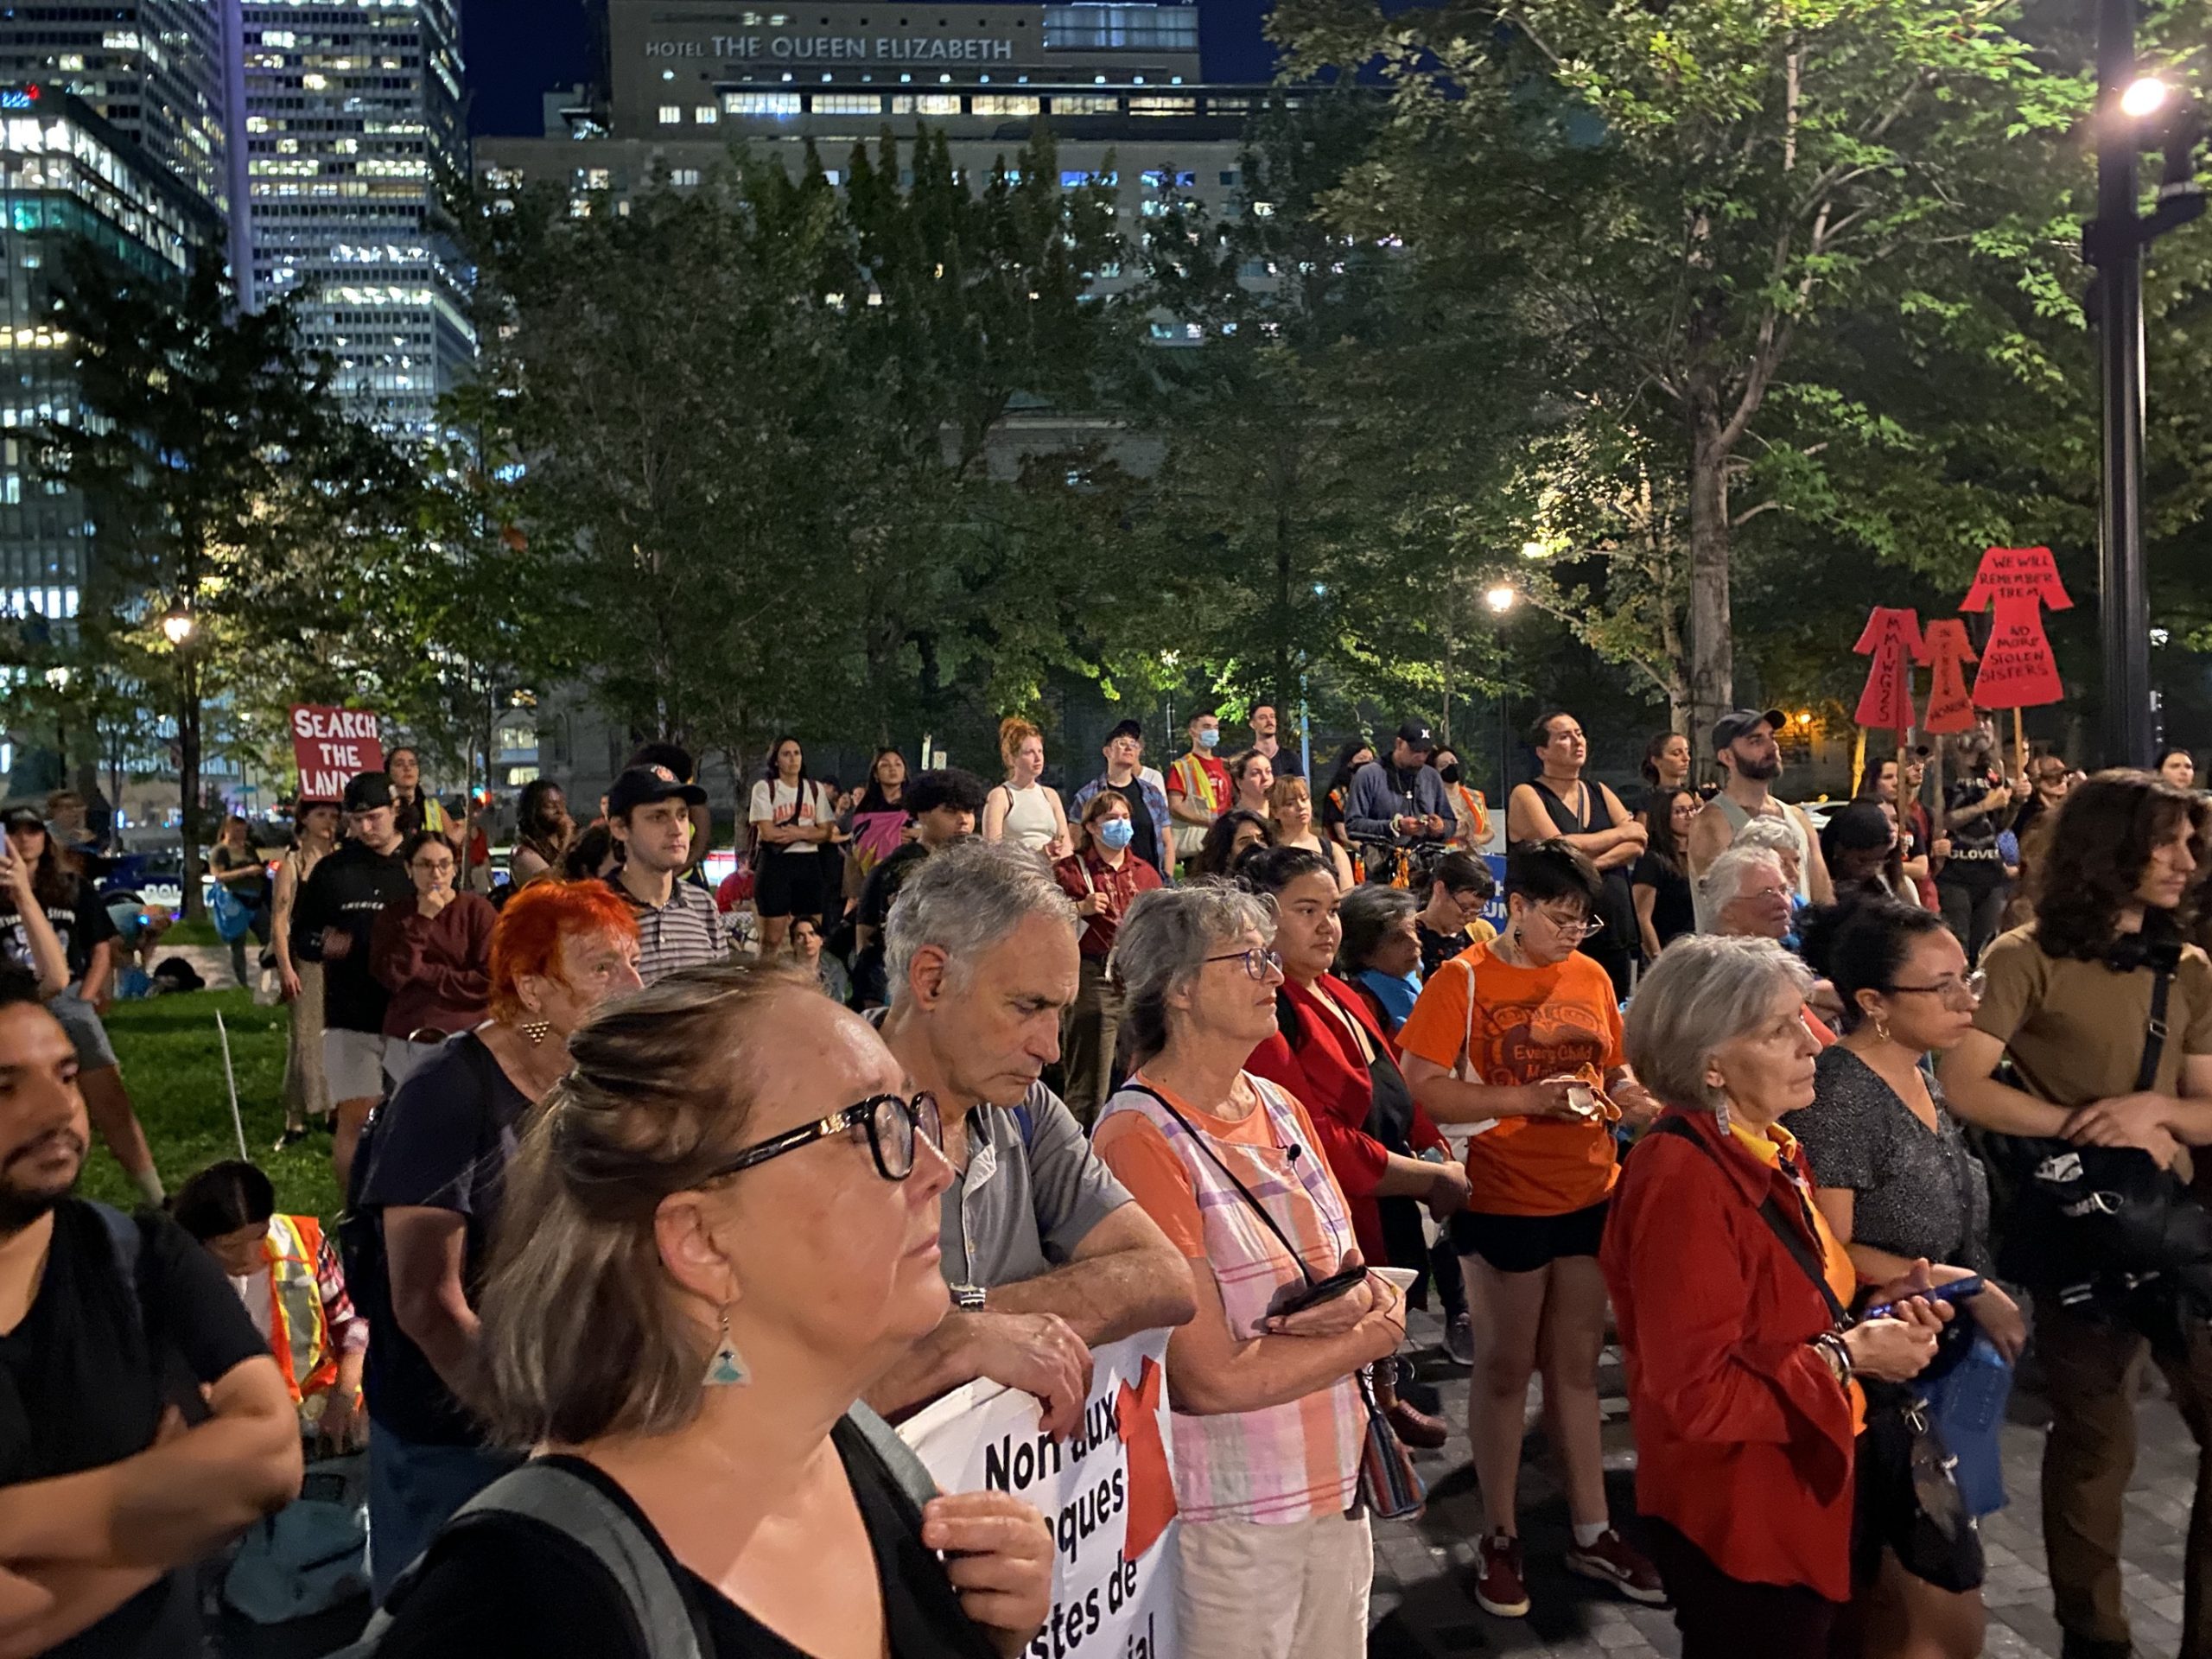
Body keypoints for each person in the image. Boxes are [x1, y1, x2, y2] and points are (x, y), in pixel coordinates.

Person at [361, 959, 1054, 1659]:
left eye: (910, 1113)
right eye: (866, 1127)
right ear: (702, 1242)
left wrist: (992, 1639)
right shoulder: (523, 1613)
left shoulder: (865, 1462)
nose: (938, 1166)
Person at [1601, 935, 1949, 1658]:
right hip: (1744, 1515)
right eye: (1779, 1030)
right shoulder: (1684, 1180)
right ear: (1711, 1065)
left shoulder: (1768, 1145)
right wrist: (1853, 1357)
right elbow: (1696, 1396)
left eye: (1805, 1017)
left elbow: (1790, 1307)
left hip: (1797, 1491)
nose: (1816, 1042)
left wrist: (1880, 1304)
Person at [1936, 769, 2212, 1659]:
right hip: (2078, 1232)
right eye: (2166, 841)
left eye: (2188, 841)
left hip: (2173, 1228)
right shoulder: (2023, 955)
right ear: (2110, 849)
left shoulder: (2189, 964)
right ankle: (2093, 1636)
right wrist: (2081, 1124)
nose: (2185, 860)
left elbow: (2205, 1102)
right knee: (2094, 1442)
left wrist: (2158, 1113)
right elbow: (1965, 1082)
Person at [1092, 882, 1409, 1658]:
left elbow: (1354, 1272)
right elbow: (1214, 1381)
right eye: (1251, 959)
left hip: (1336, 1488)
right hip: (1235, 1516)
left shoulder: (1277, 1105)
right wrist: (1374, 1332)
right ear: (1180, 989)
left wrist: (1337, 1316)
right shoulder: (1139, 1137)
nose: (1276, 975)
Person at [350, 879, 644, 1596]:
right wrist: (526, 1428)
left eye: (631, 961)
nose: (633, 983)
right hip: (456, 1438)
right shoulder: (446, 1094)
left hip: (559, 1421)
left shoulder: (585, 1077)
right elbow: (425, 1303)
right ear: (533, 990)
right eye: (602, 967)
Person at [0, 961, 302, 1658]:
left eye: (67, 1077)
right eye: (6, 1087)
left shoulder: (138, 1254)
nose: (56, 1112)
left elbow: (273, 1456)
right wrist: (170, 1522)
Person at [1395, 841, 1662, 1618]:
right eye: (1558, 917)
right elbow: (1426, 1090)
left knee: (1574, 1368)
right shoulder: (1464, 978)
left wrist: (1634, 1098)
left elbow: (1611, 1069)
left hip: (1588, 1187)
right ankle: (1501, 1535)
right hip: (1503, 1195)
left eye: (1583, 920)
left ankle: (1591, 1530)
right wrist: (1528, 1103)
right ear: (1516, 907)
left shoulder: (1591, 975)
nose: (1573, 933)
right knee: (1506, 1368)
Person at [866, 841, 1194, 1431]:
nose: (1051, 1047)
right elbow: (768, 1389)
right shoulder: (813, 1127)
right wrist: (959, 1341)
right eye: (1026, 1007)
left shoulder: (1026, 1109)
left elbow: (1165, 1277)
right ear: (932, 980)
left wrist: (965, 1321)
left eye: (1059, 1012)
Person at [1792, 897, 2021, 1659]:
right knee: (1926, 1607)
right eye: (1943, 986)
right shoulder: (1842, 1091)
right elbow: (1828, 1244)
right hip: (1886, 1370)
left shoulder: (1922, 1073)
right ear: (1873, 1004)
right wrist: (1966, 1285)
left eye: (1969, 978)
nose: (1968, 1000)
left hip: (1943, 1360)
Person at [1240, 846, 1471, 1446]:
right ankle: (1365, 1423)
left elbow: (1392, 1081)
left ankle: (1384, 1396)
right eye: (1306, 910)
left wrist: (1437, 1148)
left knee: (1379, 1312)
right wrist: (1428, 1179)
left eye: (1334, 909)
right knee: (1347, 1317)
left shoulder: (1339, 993)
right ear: (1262, 920)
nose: (1327, 925)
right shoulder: (1270, 1012)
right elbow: (1313, 1140)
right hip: (1340, 1204)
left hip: (1384, 1187)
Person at [1, 804, 159, 1204]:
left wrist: (88, 995)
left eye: (32, 830)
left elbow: (90, 953)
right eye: (14, 831)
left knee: (103, 1091)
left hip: (67, 994)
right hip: (12, 1000)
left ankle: (154, 1194)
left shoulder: (71, 888)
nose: (24, 840)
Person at [173, 1159, 370, 1450]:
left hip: (313, 1405)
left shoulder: (304, 1245)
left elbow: (352, 1329)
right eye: (229, 1247)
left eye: (260, 1236)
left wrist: (343, 1399)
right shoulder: (177, 1273)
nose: (248, 1255)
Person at [291, 770, 411, 1189]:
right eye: (356, 820)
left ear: (394, 810)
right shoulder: (332, 871)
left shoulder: (418, 863)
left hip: (412, 1014)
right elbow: (301, 937)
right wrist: (330, 943)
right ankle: (353, 1211)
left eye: (374, 817)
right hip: (351, 1014)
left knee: (414, 1116)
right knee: (355, 1118)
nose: (365, 828)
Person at [1506, 711, 1644, 997]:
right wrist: (1620, 833)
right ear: (1542, 751)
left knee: (1612, 1013)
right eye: (1564, 736)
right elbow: (1561, 844)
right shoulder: (1527, 794)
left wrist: (1588, 866)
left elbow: (1638, 840)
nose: (1576, 741)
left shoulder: (1599, 790)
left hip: (1611, 925)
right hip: (1555, 931)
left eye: (1579, 734)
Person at [1052, 790, 1164, 1122]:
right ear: (1091, 827)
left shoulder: (1146, 873)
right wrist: (1078, 908)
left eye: (1125, 818)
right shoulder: (1068, 872)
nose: (1121, 825)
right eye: (1111, 819)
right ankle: (1078, 1146)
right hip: (1092, 971)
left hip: (1137, 974)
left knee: (1139, 1066)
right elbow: (1040, 920)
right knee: (1092, 1073)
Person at [852, 768, 988, 1009]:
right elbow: (866, 933)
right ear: (922, 815)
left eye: (968, 811)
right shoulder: (899, 868)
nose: (964, 820)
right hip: (899, 984)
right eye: (950, 811)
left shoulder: (967, 865)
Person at [372, 830, 498, 1087]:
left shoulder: (477, 912)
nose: (436, 874)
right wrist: (423, 920)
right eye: (425, 865)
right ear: (409, 868)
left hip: (469, 1037)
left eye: (444, 864)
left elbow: (489, 980)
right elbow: (393, 976)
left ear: (454, 868)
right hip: (408, 1037)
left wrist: (424, 973)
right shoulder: (395, 916)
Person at [1688, 708, 1834, 909]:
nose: (1772, 746)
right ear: (1727, 757)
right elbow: (1721, 908)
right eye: (1756, 741)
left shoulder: (1797, 817)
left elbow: (1822, 896)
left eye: (1771, 737)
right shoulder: (1713, 822)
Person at [607, 764, 727, 983]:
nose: (676, 829)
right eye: (658, 817)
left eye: (682, 815)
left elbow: (721, 1004)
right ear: (620, 828)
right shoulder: (595, 911)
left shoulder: (703, 907)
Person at [271, 798, 338, 1147]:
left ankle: (332, 1109)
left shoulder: (341, 861)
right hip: (306, 960)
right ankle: (294, 1118)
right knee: (304, 1037)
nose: (329, 821)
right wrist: (285, 966)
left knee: (336, 1034)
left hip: (339, 959)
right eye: (321, 814)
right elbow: (280, 920)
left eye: (333, 815)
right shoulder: (293, 864)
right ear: (304, 819)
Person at [1936, 721, 2016, 963]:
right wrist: (1984, 805)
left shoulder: (1993, 769)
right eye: (1975, 719)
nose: (1983, 726)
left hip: (1990, 871)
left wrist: (2016, 802)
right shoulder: (1943, 769)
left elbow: (1997, 826)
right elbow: (1940, 820)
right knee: (1957, 948)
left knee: (1986, 949)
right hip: (1955, 872)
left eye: (1988, 719)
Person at [748, 735, 836, 952]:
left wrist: (797, 832)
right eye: (786, 754)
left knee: (810, 933)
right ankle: (767, 982)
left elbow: (826, 831)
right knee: (771, 938)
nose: (793, 759)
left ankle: (808, 979)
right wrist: (810, 832)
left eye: (796, 753)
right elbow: (767, 832)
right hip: (776, 864)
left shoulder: (814, 789)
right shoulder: (765, 788)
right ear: (776, 760)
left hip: (809, 863)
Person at [1070, 719, 1173, 880]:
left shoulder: (1152, 793)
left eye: (1133, 743)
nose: (1129, 747)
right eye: (1121, 743)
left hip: (1151, 883)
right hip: (1106, 883)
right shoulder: (1087, 796)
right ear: (1107, 751)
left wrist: (1167, 878)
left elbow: (1167, 843)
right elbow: (1075, 844)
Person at [1344, 720, 1453, 861]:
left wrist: (1441, 827)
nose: (1421, 756)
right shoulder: (1368, 775)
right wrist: (1393, 826)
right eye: (1415, 750)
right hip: (1382, 867)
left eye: (1426, 752)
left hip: (1426, 867)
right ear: (1399, 743)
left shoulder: (1432, 777)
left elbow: (1451, 821)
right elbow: (1353, 826)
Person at [1858, 751, 1941, 908]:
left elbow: (1922, 867)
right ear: (1873, 781)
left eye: (1899, 777)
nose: (1896, 782)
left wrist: (1885, 867)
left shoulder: (1909, 821)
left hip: (1914, 897)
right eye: (1888, 777)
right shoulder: (1858, 817)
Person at [982, 716, 1071, 858]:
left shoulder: (1050, 795)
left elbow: (1066, 845)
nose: (1038, 758)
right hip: (1017, 874)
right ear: (1012, 758)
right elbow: (993, 851)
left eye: (1040, 751)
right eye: (1029, 752)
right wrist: (1039, 856)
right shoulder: (1001, 796)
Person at [1340, 883, 1424, 1033]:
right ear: (1365, 953)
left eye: (1413, 929)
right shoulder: (1363, 1005)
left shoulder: (1411, 979)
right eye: (1397, 939)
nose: (1415, 942)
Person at [1632, 785, 1700, 960]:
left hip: (1697, 950)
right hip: (1667, 953)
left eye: (1692, 809)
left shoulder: (1699, 855)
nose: (1689, 816)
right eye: (1679, 811)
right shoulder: (1652, 860)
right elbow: (1642, 917)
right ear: (1663, 816)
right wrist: (1657, 958)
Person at [208, 814, 272, 988]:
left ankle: (270, 976)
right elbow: (218, 876)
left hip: (256, 899)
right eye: (238, 830)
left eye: (244, 830)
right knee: (238, 944)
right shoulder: (220, 851)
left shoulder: (249, 848)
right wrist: (245, 872)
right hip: (235, 900)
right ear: (228, 830)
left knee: (269, 938)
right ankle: (242, 982)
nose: (242, 834)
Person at [847, 747, 913, 909]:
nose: (892, 769)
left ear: (904, 773)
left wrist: (917, 833)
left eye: (898, 765)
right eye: (885, 765)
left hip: (909, 882)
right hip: (870, 883)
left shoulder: (916, 807)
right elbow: (856, 850)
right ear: (875, 774)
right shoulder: (864, 812)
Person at [1414, 850, 1498, 980]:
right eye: (1465, 908)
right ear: (1440, 889)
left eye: (1477, 911)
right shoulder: (1408, 937)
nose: (1472, 919)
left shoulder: (1483, 933)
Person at [1266, 773, 1356, 892]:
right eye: (1290, 803)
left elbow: (1348, 896)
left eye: (1304, 799)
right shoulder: (1268, 853)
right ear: (1275, 812)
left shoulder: (1333, 850)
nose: (1301, 806)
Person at [1166, 710, 1233, 868]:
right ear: (1192, 732)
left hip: (1226, 840)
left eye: (1215, 727)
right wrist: (1209, 822)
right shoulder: (1182, 767)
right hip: (1198, 845)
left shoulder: (1225, 765)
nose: (1212, 731)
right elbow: (1175, 806)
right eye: (1206, 727)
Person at [1821, 800, 1918, 908]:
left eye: (1878, 862)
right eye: (1862, 860)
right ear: (1838, 850)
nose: (1870, 870)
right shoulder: (1820, 888)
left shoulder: (1883, 888)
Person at [1700, 843, 1796, 942]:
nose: (1783, 903)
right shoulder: (1711, 956)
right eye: (1766, 893)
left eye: (1783, 890)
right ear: (1727, 909)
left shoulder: (1792, 948)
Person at [506, 778, 574, 887]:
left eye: (562, 805)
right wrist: (566, 842)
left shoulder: (560, 843)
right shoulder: (523, 854)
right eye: (551, 806)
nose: (560, 811)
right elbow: (556, 888)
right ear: (533, 811)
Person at [1319, 739, 1376, 855]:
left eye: (1371, 760)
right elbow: (1343, 835)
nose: (1367, 764)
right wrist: (1369, 853)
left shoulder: (1374, 792)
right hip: (1344, 856)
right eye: (1362, 759)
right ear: (1349, 763)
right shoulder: (1337, 795)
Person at [1432, 744, 1493, 849]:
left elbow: (1489, 831)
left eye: (1453, 761)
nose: (1450, 765)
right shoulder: (1434, 799)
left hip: (1473, 855)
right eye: (1444, 764)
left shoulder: (1475, 796)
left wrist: (1476, 839)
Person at [385, 747, 450, 845]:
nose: (407, 768)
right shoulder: (384, 810)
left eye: (412, 764)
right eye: (399, 764)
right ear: (388, 772)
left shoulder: (433, 808)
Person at [1189, 806, 1274, 880]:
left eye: (1262, 839)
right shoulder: (1215, 894)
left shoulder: (1279, 884)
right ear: (1227, 853)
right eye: (1245, 842)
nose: (1257, 845)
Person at [790, 914, 851, 1004]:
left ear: (821, 940)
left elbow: (838, 1003)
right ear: (793, 944)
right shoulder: (784, 970)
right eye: (800, 936)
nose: (807, 940)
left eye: (812, 934)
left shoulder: (834, 968)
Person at [1639, 730, 1693, 810]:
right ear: (1656, 761)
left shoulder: (1691, 795)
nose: (1687, 758)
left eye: (1687, 752)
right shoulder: (1648, 800)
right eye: (1676, 753)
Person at [1249, 700, 1302, 778]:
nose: (1269, 721)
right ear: (1252, 724)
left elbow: (1301, 788)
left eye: (1272, 717)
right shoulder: (1246, 760)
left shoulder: (1291, 757)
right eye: (1263, 718)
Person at [1229, 747, 1276, 821]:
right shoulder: (1230, 823)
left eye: (1268, 771)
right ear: (1239, 783)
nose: (1265, 778)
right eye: (1256, 773)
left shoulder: (1283, 817)